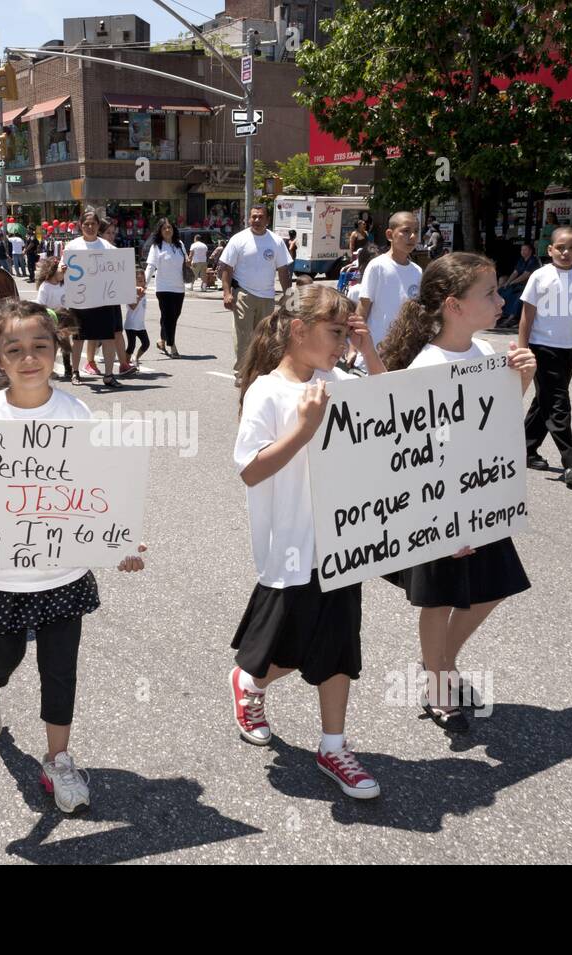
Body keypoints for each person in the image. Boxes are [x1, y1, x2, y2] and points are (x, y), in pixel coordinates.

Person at [0, 300, 146, 813]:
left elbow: (95, 487)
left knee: (60, 669)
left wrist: (121, 538)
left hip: (64, 572)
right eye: (15, 349)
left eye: (39, 347)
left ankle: (59, 759)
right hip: (4, 576)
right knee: (5, 656)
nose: (29, 358)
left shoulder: (74, 412)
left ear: (57, 349)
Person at [229, 283, 384, 799]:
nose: (342, 343)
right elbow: (251, 470)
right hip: (291, 546)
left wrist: (369, 352)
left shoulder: (338, 377)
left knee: (338, 648)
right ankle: (250, 684)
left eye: (346, 334)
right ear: (299, 331)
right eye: (335, 332)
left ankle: (333, 744)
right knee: (288, 651)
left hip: (342, 542)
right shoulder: (268, 392)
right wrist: (305, 427)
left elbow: (392, 413)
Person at [377, 252, 536, 733]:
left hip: (481, 499)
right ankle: (439, 681)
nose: (499, 299)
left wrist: (521, 382)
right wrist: (440, 524)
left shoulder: (487, 356)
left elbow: (497, 428)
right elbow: (413, 452)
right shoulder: (427, 366)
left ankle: (440, 664)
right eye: (488, 293)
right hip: (438, 506)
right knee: (440, 598)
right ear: (454, 305)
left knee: (492, 589)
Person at [518, 225, 572, 488]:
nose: (566, 252)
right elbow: (526, 316)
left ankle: (524, 448)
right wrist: (522, 348)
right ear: (550, 249)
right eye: (560, 247)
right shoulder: (540, 276)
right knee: (559, 404)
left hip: (569, 348)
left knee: (545, 401)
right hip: (542, 347)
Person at [219, 203, 293, 375]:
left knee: (264, 336)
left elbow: (283, 272)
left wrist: (289, 296)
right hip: (244, 294)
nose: (257, 220)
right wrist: (227, 293)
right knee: (244, 335)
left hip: (267, 296)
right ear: (248, 218)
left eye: (261, 217)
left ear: (267, 219)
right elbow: (227, 269)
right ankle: (243, 371)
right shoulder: (238, 239)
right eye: (254, 216)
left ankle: (260, 370)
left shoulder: (276, 241)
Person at [350, 211, 423, 361]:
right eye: (406, 231)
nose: (413, 237)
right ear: (390, 235)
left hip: (406, 352)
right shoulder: (378, 266)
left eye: (416, 231)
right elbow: (362, 309)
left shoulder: (417, 271)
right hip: (377, 351)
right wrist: (353, 348)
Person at [66, 207, 125, 388]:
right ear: (80, 225)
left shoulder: (107, 246)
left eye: (93, 224)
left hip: (102, 300)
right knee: (78, 338)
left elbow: (118, 271)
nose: (90, 227)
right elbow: (64, 271)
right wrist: (63, 271)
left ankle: (108, 375)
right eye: (86, 224)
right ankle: (75, 372)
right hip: (79, 300)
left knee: (107, 337)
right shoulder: (72, 246)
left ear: (98, 225)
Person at [146, 217, 187, 358]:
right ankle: (172, 345)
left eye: (170, 227)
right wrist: (143, 285)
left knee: (172, 316)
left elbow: (185, 262)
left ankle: (162, 340)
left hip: (179, 287)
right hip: (163, 288)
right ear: (160, 231)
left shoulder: (180, 244)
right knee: (169, 317)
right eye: (164, 228)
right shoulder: (157, 246)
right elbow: (150, 266)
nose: (167, 230)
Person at [34, 255, 74, 380]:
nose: (63, 274)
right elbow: (40, 305)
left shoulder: (64, 284)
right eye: (61, 272)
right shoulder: (45, 287)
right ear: (52, 271)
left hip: (64, 318)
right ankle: (49, 370)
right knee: (52, 347)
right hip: (51, 319)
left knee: (66, 344)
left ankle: (68, 368)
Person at [496, 242, 541, 327]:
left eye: (525, 250)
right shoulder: (521, 260)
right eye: (522, 250)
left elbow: (525, 275)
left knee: (519, 297)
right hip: (518, 285)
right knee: (502, 291)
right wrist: (508, 283)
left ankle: (512, 318)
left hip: (528, 286)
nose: (522, 251)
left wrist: (513, 282)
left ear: (530, 251)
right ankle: (501, 315)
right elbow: (515, 272)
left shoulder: (533, 260)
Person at [122, 268, 150, 368]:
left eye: (144, 280)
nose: (142, 283)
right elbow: (132, 307)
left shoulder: (143, 292)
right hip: (131, 325)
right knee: (131, 346)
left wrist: (141, 294)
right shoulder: (131, 292)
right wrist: (139, 296)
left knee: (146, 344)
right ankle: (125, 364)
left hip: (140, 325)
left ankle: (136, 358)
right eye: (139, 281)